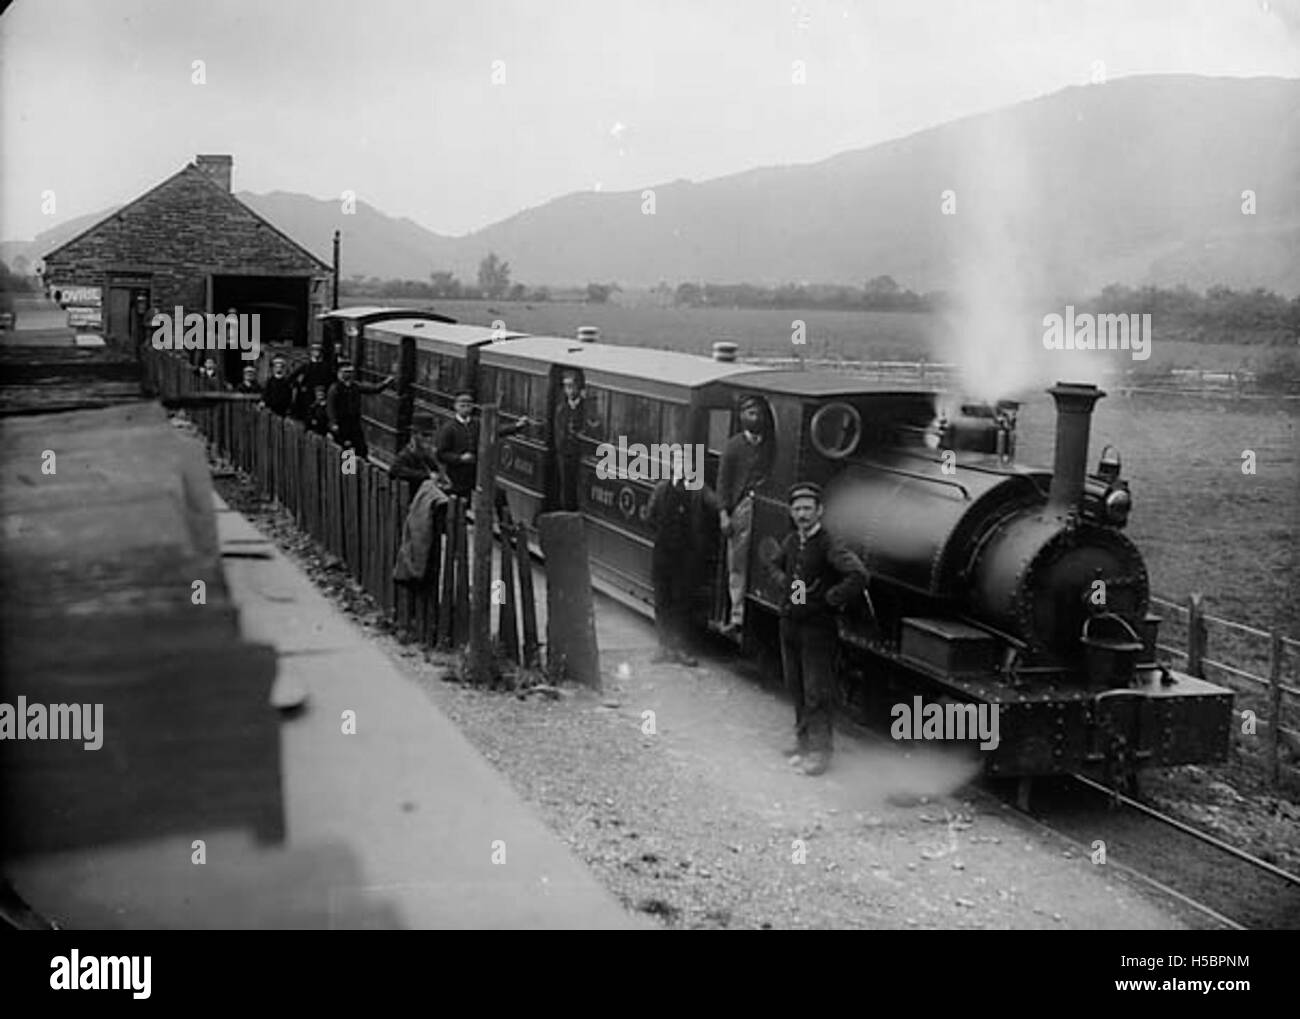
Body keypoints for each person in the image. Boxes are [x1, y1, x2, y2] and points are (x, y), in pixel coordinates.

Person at [760, 482, 868, 777]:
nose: (802, 514)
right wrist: (786, 586)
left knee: (817, 691)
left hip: (817, 630)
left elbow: (858, 574)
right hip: (790, 624)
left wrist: (830, 599)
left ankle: (821, 752)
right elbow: (774, 565)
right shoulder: (794, 540)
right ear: (791, 513)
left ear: (819, 511)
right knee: (795, 687)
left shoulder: (829, 544)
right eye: (797, 509)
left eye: (808, 509)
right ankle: (804, 742)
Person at [646, 449, 719, 667]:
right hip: (664, 554)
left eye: (686, 463)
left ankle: (681, 648)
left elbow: (715, 506)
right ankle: (664, 646)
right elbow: (650, 515)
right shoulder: (662, 488)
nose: (682, 466)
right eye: (678, 462)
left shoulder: (698, 489)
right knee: (662, 600)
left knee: (683, 603)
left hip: (687, 556)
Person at [717, 395, 771, 635]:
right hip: (741, 507)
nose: (756, 418)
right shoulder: (734, 446)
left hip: (764, 506)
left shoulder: (770, 446)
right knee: (737, 563)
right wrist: (723, 514)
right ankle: (737, 615)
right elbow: (723, 482)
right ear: (742, 417)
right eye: (751, 413)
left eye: (759, 413)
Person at [326, 361, 393, 460]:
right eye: (346, 372)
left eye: (350, 372)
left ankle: (358, 469)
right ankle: (347, 472)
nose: (348, 374)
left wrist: (385, 383)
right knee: (346, 448)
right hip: (342, 423)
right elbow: (331, 408)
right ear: (339, 373)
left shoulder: (355, 386)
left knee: (360, 448)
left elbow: (373, 389)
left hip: (354, 422)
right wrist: (333, 423)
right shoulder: (335, 389)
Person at [553, 371, 598, 511]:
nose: (569, 390)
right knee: (566, 486)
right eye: (566, 387)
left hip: (581, 455)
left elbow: (592, 428)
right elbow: (558, 433)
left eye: (572, 386)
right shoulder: (561, 409)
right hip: (566, 455)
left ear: (578, 387)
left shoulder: (585, 408)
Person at [290, 343, 333, 420]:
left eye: (318, 350)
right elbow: (292, 379)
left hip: (322, 396)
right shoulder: (306, 367)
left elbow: (331, 380)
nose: (316, 352)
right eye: (314, 350)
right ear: (311, 352)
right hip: (307, 397)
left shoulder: (327, 367)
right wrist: (299, 385)